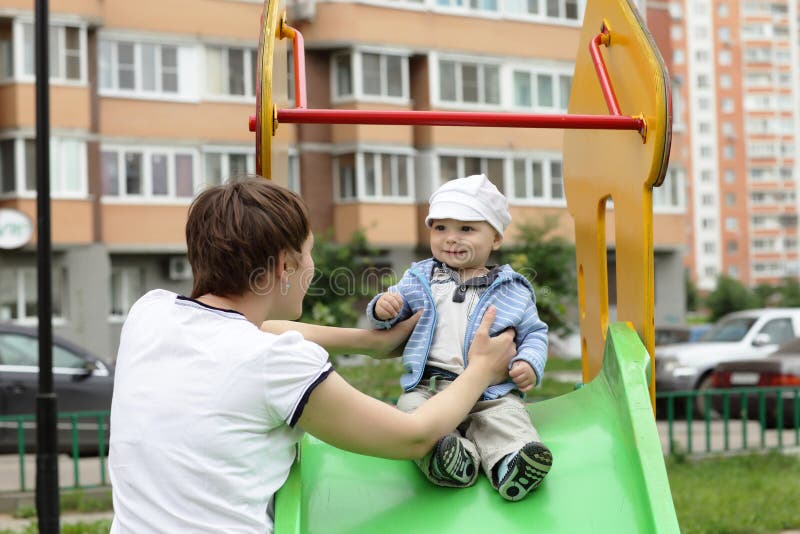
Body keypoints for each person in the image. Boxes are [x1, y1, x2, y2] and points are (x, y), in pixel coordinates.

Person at [108, 177, 517, 533]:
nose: (313, 267)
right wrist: (481, 369)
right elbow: (413, 436)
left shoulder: (150, 313)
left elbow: (249, 330)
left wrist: (369, 342)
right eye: (309, 253)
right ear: (286, 264)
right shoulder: (278, 364)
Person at [366, 174, 553, 502]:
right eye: (440, 228)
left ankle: (511, 463)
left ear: (495, 238)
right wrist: (383, 308)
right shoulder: (420, 278)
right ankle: (450, 459)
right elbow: (390, 315)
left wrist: (528, 362)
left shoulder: (512, 289)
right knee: (410, 418)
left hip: (488, 391)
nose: (451, 238)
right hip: (429, 388)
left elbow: (534, 333)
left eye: (466, 229)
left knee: (507, 418)